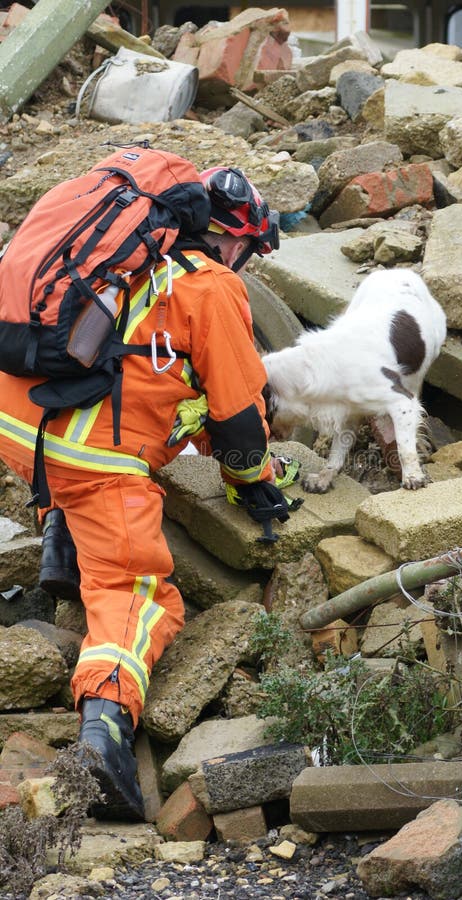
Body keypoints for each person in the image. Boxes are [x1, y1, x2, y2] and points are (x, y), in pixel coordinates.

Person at [0, 163, 284, 821]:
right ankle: (105, 731)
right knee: (135, 591)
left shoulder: (117, 252)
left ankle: (60, 535)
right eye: (250, 249)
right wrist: (252, 484)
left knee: (82, 475)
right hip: (91, 457)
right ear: (232, 236)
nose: (247, 262)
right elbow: (239, 419)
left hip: (18, 426)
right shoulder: (210, 287)